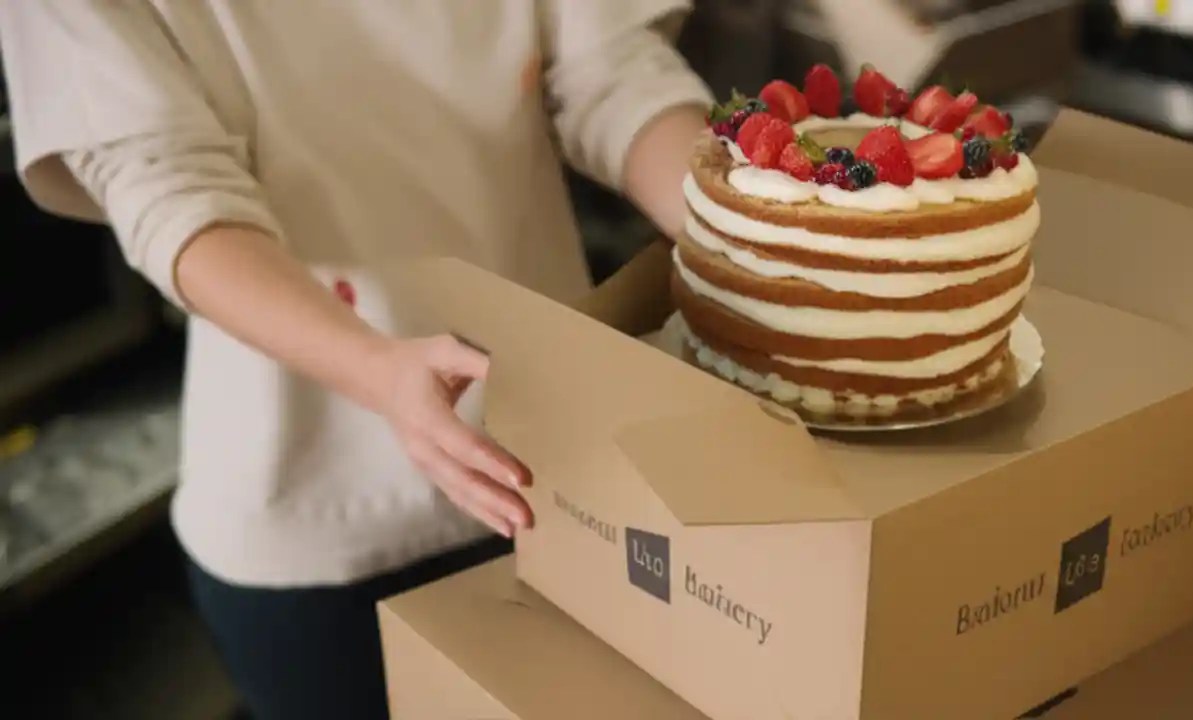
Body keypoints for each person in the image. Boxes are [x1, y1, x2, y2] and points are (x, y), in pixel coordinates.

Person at [0, 2, 710, 718]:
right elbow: (166, 190)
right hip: (312, 512)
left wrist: (739, 234)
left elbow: (611, 75)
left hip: (559, 468)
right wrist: (376, 368)